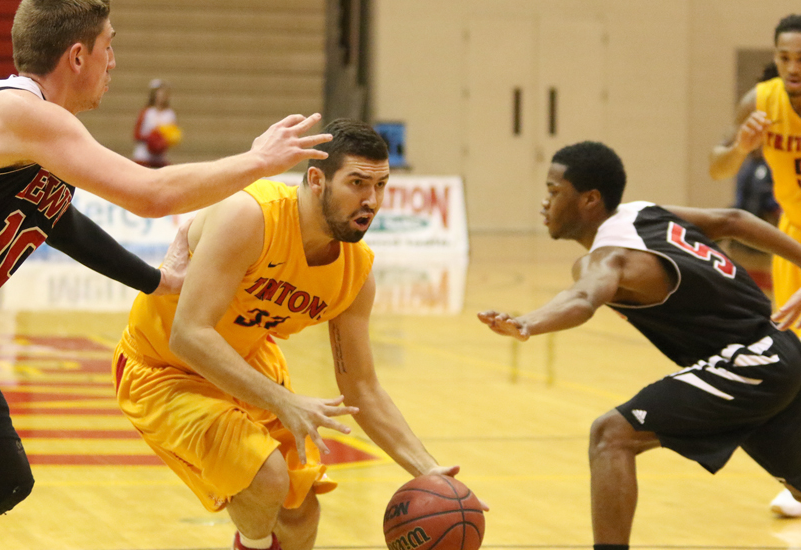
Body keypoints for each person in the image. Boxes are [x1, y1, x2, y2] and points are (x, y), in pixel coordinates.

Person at [0, 0, 331, 549]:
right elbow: (150, 194)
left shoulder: (34, 136)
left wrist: (156, 281)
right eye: (110, 46)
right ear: (78, 54)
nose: (114, 62)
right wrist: (258, 160)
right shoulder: (20, 113)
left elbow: (60, 220)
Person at [112, 119, 464, 550]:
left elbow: (362, 386)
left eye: (381, 185)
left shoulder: (356, 272)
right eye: (357, 183)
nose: (372, 201)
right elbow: (188, 335)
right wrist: (282, 401)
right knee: (266, 477)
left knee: (300, 511)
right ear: (316, 179)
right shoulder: (249, 216)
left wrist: (426, 469)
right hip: (163, 367)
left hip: (245, 364)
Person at [479, 141, 801, 549]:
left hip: (750, 363)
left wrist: (528, 323)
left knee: (611, 435)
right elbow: (734, 219)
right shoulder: (644, 212)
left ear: (590, 199)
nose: (545, 203)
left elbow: (582, 299)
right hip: (781, 351)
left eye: (554, 191)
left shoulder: (608, 257)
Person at [707, 13, 801, 517]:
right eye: (785, 58)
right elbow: (715, 163)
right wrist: (741, 149)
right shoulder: (761, 100)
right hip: (792, 240)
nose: (793, 68)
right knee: (793, 362)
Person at [133, 79, 179, 168]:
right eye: (159, 93)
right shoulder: (147, 112)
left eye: (164, 94)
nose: (161, 97)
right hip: (144, 156)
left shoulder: (169, 114)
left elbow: (173, 135)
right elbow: (136, 134)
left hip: (160, 158)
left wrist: (163, 141)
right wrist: (151, 138)